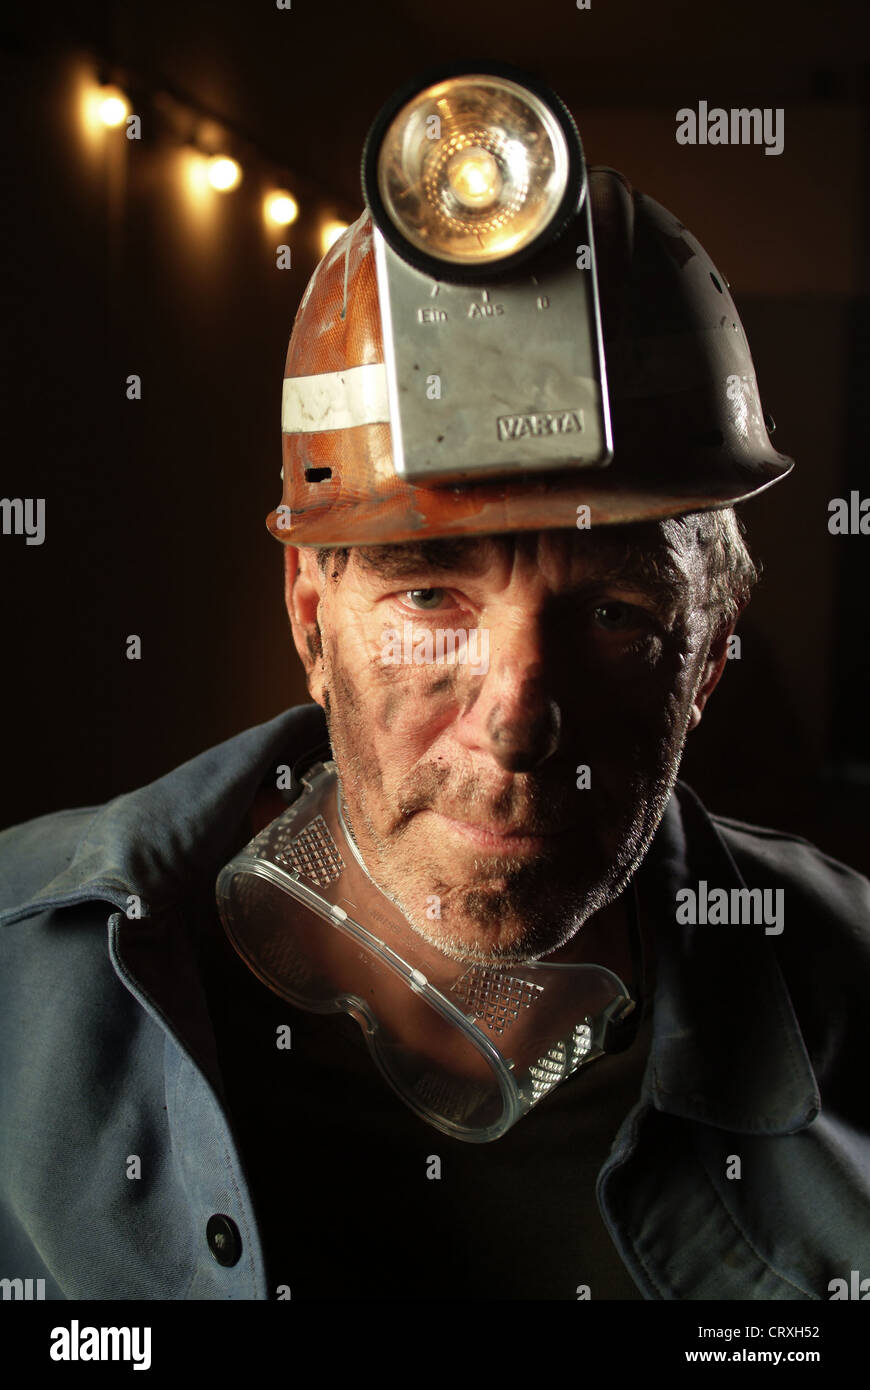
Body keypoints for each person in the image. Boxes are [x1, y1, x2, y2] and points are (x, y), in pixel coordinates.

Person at [1, 67, 869, 1303]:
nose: (518, 718)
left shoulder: (851, 994)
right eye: (428, 596)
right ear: (312, 616)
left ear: (712, 656)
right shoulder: (18, 981)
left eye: (617, 615)